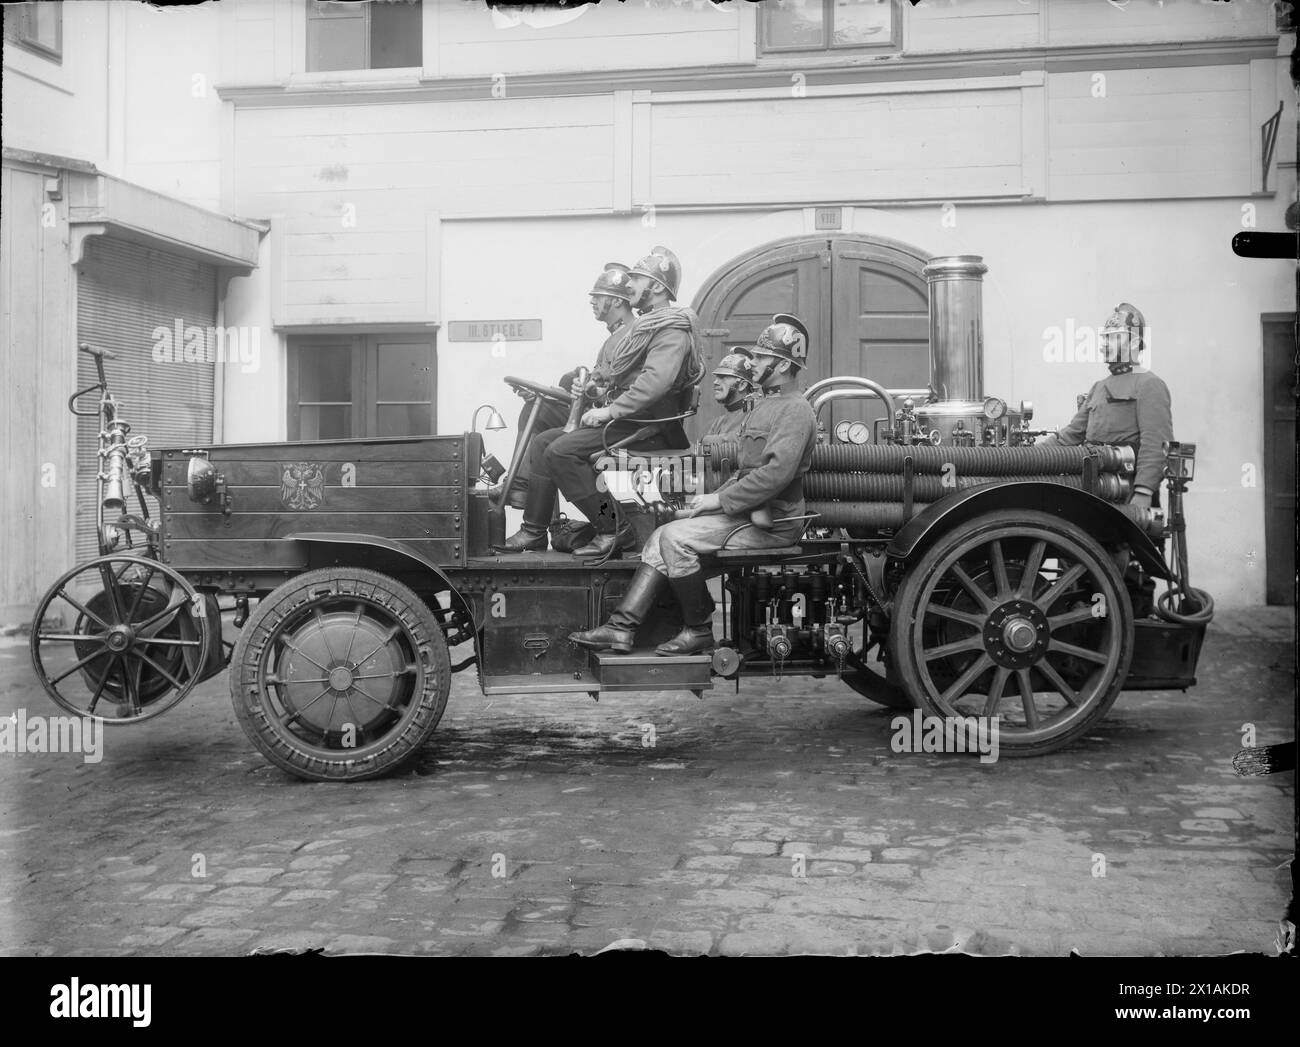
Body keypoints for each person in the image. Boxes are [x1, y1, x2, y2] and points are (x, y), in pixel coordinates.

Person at [569, 313, 817, 656]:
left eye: (761, 358)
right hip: (748, 512)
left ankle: (699, 629)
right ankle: (621, 628)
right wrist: (709, 500)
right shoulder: (766, 406)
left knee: (673, 539)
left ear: (784, 365)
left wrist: (717, 503)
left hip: (774, 522)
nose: (754, 362)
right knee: (659, 537)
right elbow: (745, 470)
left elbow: (775, 475)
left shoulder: (795, 410)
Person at [498, 246, 705, 557]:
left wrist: (610, 410)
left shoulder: (670, 328)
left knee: (561, 452)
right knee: (543, 443)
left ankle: (613, 528)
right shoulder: (647, 327)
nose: (630, 285)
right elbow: (621, 377)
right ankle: (534, 530)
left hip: (647, 426)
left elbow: (655, 383)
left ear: (658, 288)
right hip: (630, 418)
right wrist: (595, 392)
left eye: (637, 279)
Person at [489, 263, 636, 509]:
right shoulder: (614, 336)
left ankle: (522, 489)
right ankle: (522, 488)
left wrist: (590, 390)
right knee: (537, 410)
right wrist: (577, 388)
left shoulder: (630, 335)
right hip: (601, 416)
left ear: (618, 302)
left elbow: (614, 390)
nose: (592, 303)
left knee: (545, 432)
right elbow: (600, 386)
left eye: (598, 298)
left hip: (616, 423)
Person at [1039, 302, 1173, 508]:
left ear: (1134, 341)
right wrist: (1028, 456)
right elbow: (1069, 437)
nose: (1104, 344)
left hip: (1128, 491)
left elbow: (1156, 444)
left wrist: (1143, 491)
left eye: (1113, 338)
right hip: (1095, 487)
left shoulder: (1149, 384)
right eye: (1105, 338)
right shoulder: (1099, 387)